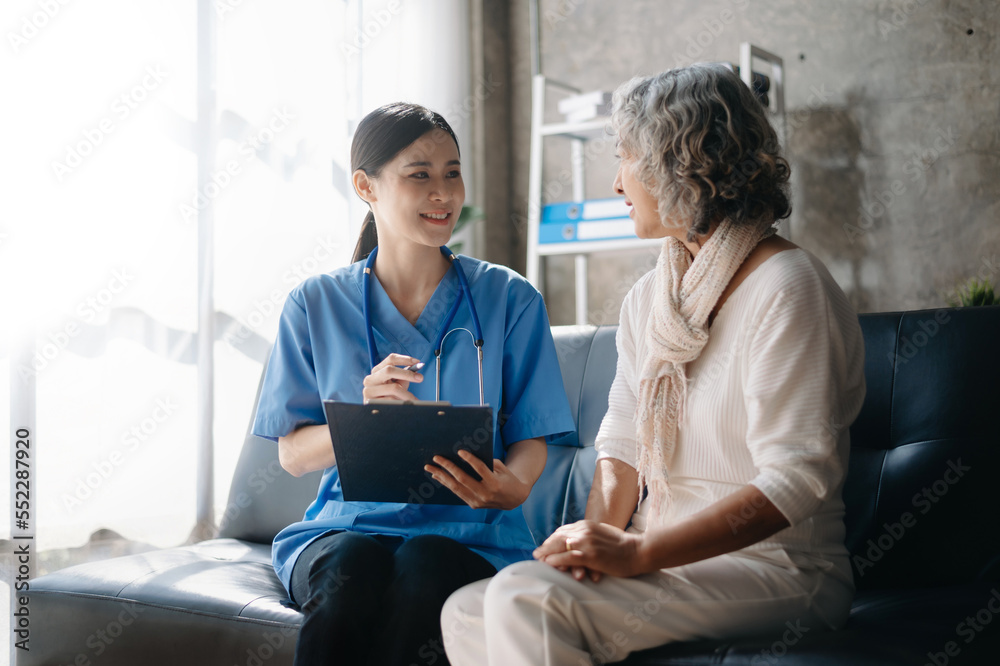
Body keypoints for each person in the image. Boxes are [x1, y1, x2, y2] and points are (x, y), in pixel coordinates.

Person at [441, 64, 867, 665]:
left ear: (682, 162)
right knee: (465, 609)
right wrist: (596, 546)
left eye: (626, 157)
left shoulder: (788, 288)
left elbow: (796, 480)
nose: (617, 182)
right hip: (663, 553)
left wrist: (638, 556)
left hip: (778, 568)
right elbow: (620, 447)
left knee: (523, 598)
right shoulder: (651, 298)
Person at [251, 102, 575, 666]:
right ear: (365, 187)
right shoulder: (315, 303)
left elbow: (531, 440)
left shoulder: (509, 299)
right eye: (419, 175)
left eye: (452, 172)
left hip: (475, 533)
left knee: (426, 563)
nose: (443, 193)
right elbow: (294, 455)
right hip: (343, 530)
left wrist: (515, 488)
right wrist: (359, 413)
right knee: (352, 568)